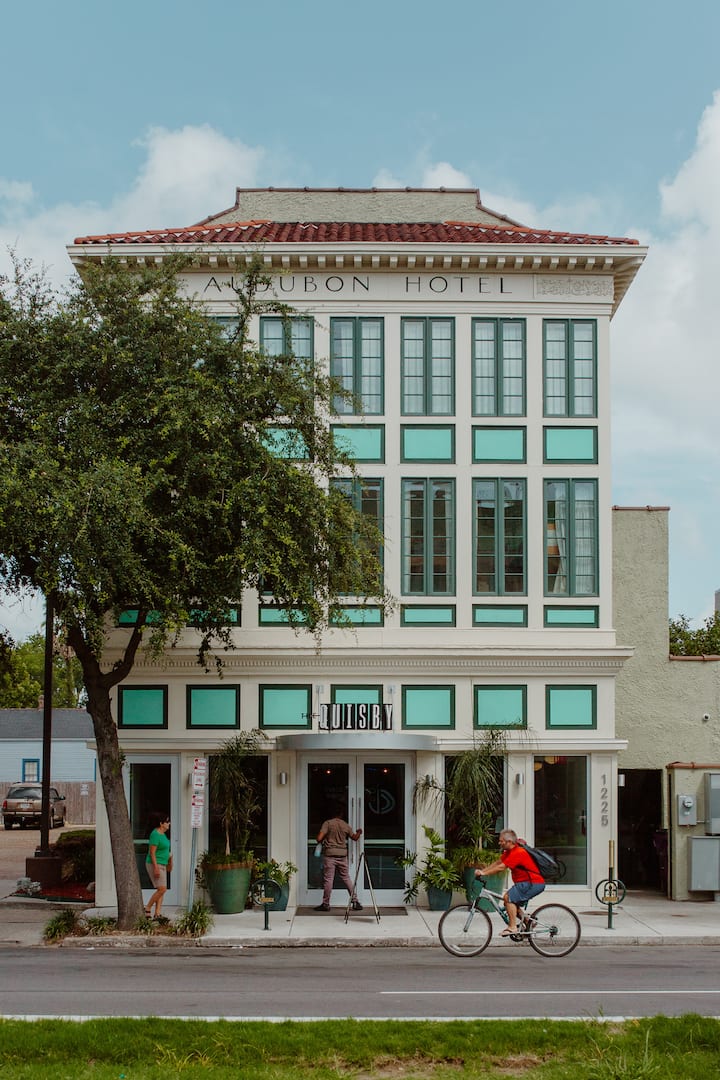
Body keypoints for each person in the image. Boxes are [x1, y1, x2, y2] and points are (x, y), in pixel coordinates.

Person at [474, 827, 545, 935]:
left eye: (501, 841)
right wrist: (482, 871)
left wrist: (484, 874)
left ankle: (512, 927)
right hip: (526, 883)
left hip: (532, 883)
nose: (499, 843)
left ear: (509, 842)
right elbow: (498, 863)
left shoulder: (518, 852)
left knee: (508, 898)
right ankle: (527, 921)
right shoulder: (509, 852)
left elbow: (502, 867)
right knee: (510, 901)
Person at [314, 805, 363, 911]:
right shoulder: (345, 825)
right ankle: (355, 902)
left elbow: (319, 838)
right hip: (342, 855)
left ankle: (326, 904)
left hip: (330, 855)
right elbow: (354, 838)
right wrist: (359, 832)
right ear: (341, 814)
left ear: (332, 814)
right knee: (346, 878)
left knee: (328, 879)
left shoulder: (327, 823)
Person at [145, 812, 172, 918]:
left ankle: (157, 913)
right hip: (154, 864)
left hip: (163, 864)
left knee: (161, 890)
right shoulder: (155, 834)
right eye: (167, 822)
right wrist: (155, 867)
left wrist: (170, 862)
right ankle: (148, 907)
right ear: (161, 823)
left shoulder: (163, 834)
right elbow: (152, 853)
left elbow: (166, 851)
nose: (169, 823)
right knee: (162, 889)